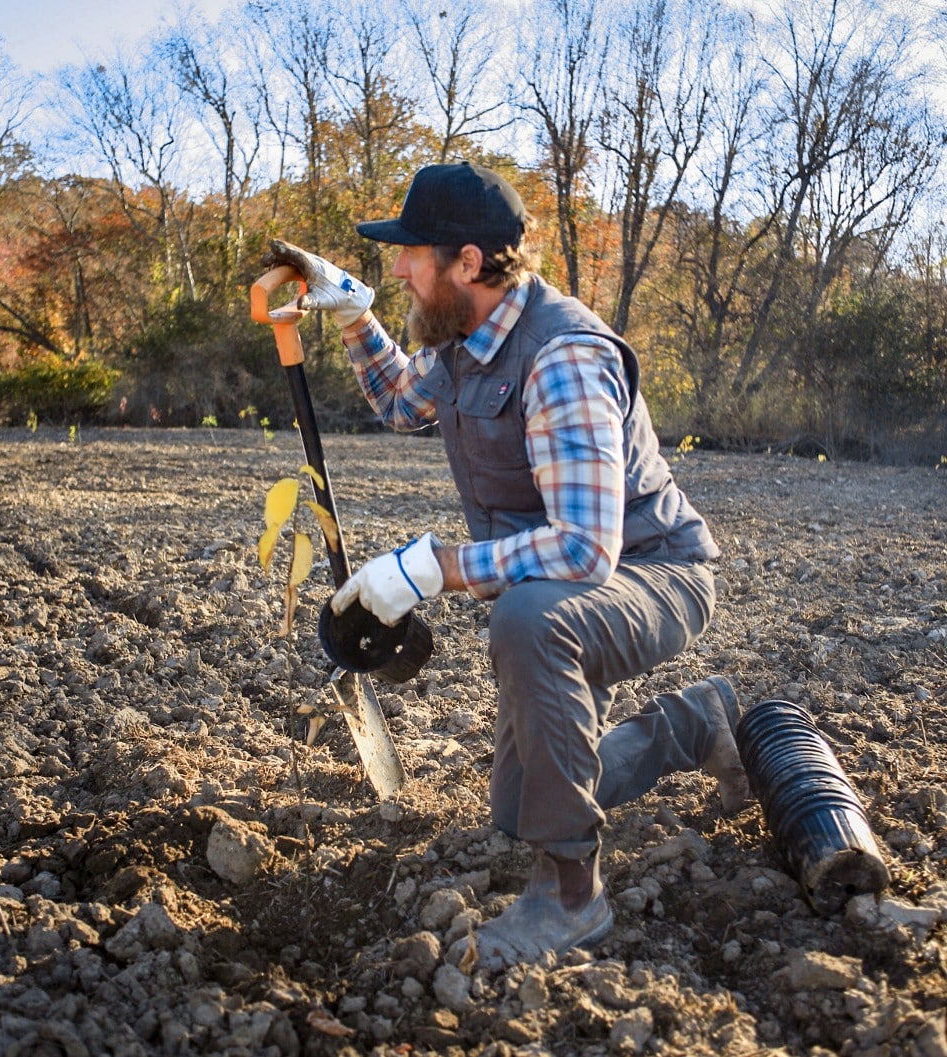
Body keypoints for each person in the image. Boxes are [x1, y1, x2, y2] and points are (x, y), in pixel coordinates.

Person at [263, 161, 749, 970]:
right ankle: (694, 724)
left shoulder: (560, 354)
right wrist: (353, 314)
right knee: (519, 805)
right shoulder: (462, 334)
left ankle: (570, 893)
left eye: (413, 254)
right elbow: (401, 403)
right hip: (570, 583)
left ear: (467, 263)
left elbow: (586, 548)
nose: (401, 270)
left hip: (654, 572)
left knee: (527, 620)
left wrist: (430, 567)